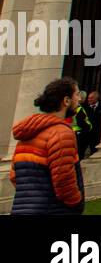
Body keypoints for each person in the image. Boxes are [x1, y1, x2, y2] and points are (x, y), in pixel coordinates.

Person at [9, 77, 85, 215]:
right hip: (52, 209)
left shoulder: (27, 133)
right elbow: (63, 179)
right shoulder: (62, 133)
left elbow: (14, 175)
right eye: (77, 94)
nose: (80, 99)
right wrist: (76, 203)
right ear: (66, 101)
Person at [71, 89, 94, 159]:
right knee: (78, 155)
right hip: (78, 134)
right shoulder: (80, 109)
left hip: (70, 132)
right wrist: (89, 128)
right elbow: (84, 123)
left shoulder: (69, 108)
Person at [84, 89, 101, 156]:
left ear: (96, 98)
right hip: (86, 134)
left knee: (94, 152)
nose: (89, 99)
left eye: (91, 98)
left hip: (97, 134)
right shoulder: (84, 107)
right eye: (88, 98)